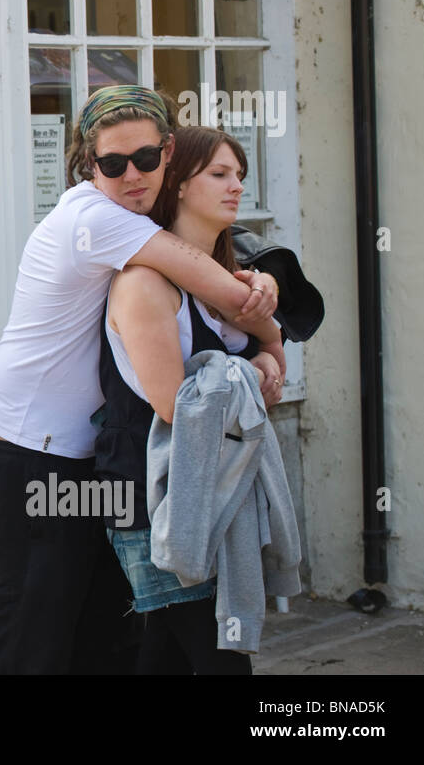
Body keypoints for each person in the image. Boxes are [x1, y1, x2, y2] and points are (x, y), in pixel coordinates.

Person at [0, 85, 286, 675]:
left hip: (89, 455)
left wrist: (264, 302)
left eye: (145, 158)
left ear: (168, 152)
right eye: (113, 164)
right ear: (90, 166)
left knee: (104, 628)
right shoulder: (97, 217)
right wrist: (266, 319)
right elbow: (232, 298)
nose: (132, 175)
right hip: (26, 451)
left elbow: (224, 290)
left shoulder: (132, 225)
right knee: (31, 623)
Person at [97, 126, 282, 674]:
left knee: (171, 653)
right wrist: (251, 372)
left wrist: (264, 363)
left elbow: (274, 353)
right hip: (153, 493)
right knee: (216, 657)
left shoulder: (222, 276)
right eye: (220, 175)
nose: (236, 188)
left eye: (240, 177)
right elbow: (176, 405)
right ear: (177, 184)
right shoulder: (145, 282)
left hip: (210, 486)